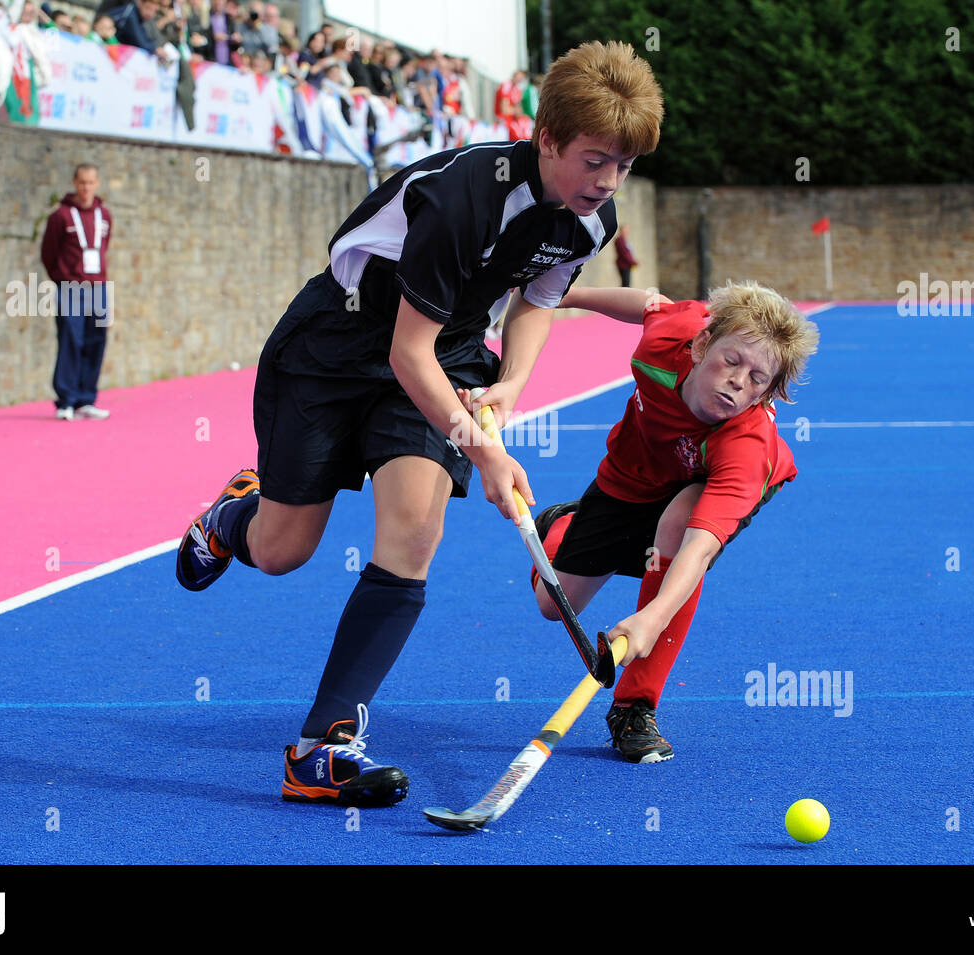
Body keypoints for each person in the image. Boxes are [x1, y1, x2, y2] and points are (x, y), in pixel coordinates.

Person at [173, 41, 664, 808]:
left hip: (451, 351)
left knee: (413, 532)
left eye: (623, 166)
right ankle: (236, 515)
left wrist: (507, 387)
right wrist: (488, 451)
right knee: (282, 550)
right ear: (546, 140)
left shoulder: (587, 222)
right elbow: (407, 352)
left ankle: (320, 747)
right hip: (337, 348)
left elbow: (537, 297)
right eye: (594, 159)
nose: (607, 182)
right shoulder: (464, 198)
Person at [527, 281, 819, 762]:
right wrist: (564, 294)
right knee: (553, 605)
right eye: (731, 361)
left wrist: (650, 617)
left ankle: (634, 708)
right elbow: (648, 303)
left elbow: (699, 548)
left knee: (681, 524)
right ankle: (562, 525)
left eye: (757, 379)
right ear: (702, 345)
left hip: (698, 490)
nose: (738, 382)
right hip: (629, 475)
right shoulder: (668, 340)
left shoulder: (747, 448)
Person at [40, 164, 114, 420]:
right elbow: (48, 254)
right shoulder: (60, 216)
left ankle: (86, 399)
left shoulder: (104, 215)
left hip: (99, 288)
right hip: (70, 287)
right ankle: (66, 401)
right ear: (74, 183)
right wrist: (63, 278)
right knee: (71, 340)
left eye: (91, 182)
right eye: (82, 182)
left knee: (96, 341)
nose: (86, 188)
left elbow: (104, 246)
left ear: (98, 183)